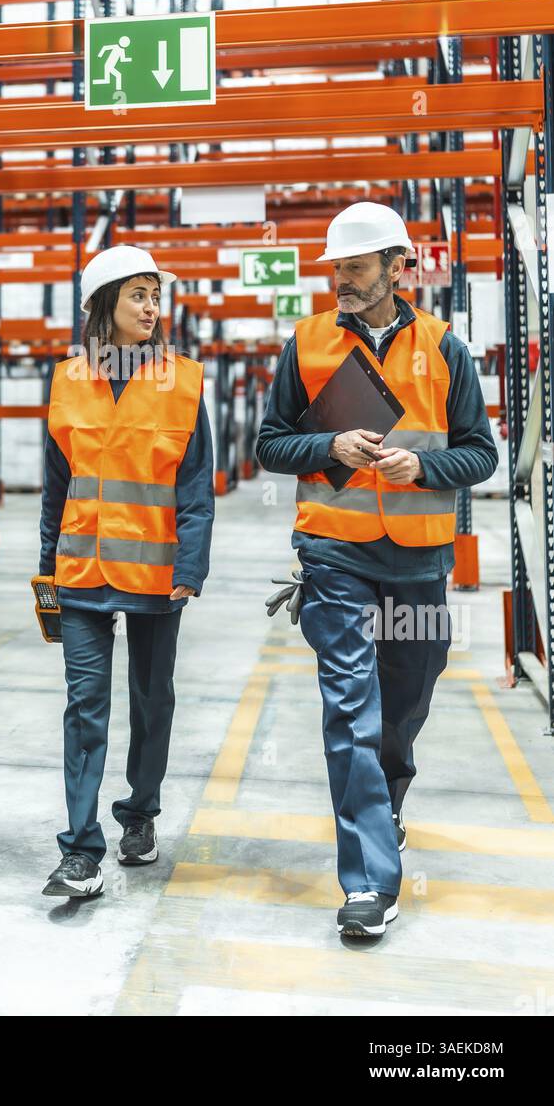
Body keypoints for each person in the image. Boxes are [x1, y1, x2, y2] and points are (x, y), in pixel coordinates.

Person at [256, 201, 498, 939]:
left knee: (408, 694)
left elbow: (480, 452)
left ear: (398, 267)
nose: (342, 281)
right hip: (334, 555)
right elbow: (270, 444)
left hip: (420, 560)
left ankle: (386, 796)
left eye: (356, 268)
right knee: (349, 710)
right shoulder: (306, 344)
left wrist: (421, 466)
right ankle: (368, 880)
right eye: (336, 268)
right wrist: (329, 448)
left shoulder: (444, 348)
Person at [39, 245, 215, 899]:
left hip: (155, 574)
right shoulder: (65, 380)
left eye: (155, 295)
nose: (151, 307)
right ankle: (80, 852)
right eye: (138, 294)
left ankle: (139, 812)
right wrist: (44, 572)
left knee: (151, 702)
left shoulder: (185, 380)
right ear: (103, 304)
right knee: (84, 708)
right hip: (81, 571)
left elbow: (196, 487)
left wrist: (191, 566)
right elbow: (58, 488)